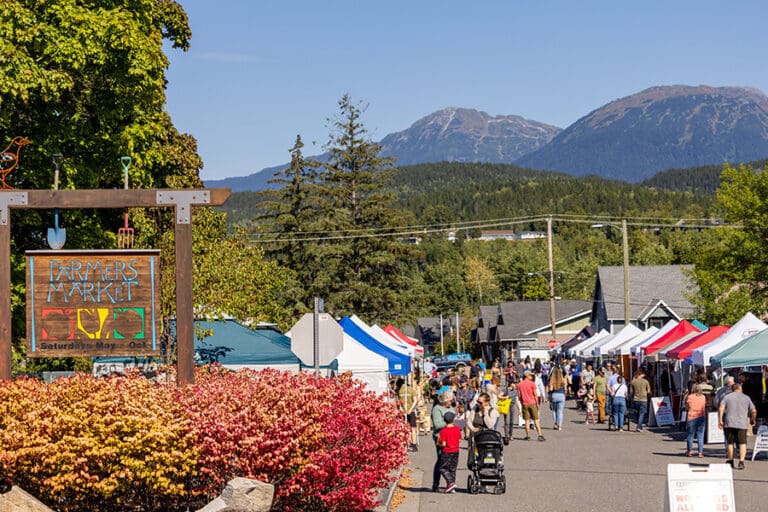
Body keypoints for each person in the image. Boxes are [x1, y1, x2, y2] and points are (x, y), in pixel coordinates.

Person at [718, 383, 757, 470]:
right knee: (742, 443)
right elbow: (753, 410)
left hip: (729, 423)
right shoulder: (746, 398)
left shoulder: (727, 397)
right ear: (740, 389)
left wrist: (720, 420)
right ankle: (741, 462)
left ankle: (731, 461)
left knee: (730, 443)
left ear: (733, 389)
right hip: (742, 424)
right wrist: (752, 419)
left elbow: (721, 408)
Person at [431, 390, 455, 492]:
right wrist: (449, 423)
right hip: (440, 437)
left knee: (451, 461)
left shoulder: (451, 408)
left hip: (451, 437)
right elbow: (437, 424)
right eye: (449, 400)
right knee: (441, 460)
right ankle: (436, 483)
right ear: (444, 400)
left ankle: (450, 483)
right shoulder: (437, 409)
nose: (451, 402)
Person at [436, 411, 461, 493]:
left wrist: (438, 441)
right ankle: (451, 487)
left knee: (443, 468)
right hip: (456, 450)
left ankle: (450, 482)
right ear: (453, 420)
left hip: (447, 451)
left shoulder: (444, 431)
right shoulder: (457, 429)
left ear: (444, 420)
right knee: (452, 469)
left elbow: (443, 443)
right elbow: (459, 440)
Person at [517, 370, 546, 441]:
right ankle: (540, 435)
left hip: (525, 403)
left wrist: (521, 403)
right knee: (536, 419)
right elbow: (535, 395)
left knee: (527, 420)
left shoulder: (520, 385)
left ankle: (528, 435)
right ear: (528, 376)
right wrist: (537, 404)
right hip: (532, 403)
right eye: (531, 375)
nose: (532, 377)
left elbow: (519, 396)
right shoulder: (532, 384)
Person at [397, 377, 420, 451]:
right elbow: (416, 400)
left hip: (404, 411)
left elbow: (399, 402)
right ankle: (414, 445)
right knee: (413, 428)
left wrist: (401, 409)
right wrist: (411, 409)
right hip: (411, 411)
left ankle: (408, 443)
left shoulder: (399, 391)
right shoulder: (411, 389)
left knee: (406, 429)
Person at [685, 384, 707, 457]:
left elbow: (687, 407)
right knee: (700, 435)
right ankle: (700, 452)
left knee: (690, 435)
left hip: (692, 417)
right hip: (701, 416)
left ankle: (689, 451)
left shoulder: (690, 397)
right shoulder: (703, 397)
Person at [548, 366, 567, 431]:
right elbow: (565, 388)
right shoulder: (563, 379)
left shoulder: (552, 380)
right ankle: (560, 426)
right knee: (560, 411)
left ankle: (555, 423)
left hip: (554, 395)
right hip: (561, 395)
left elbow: (550, 389)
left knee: (554, 411)